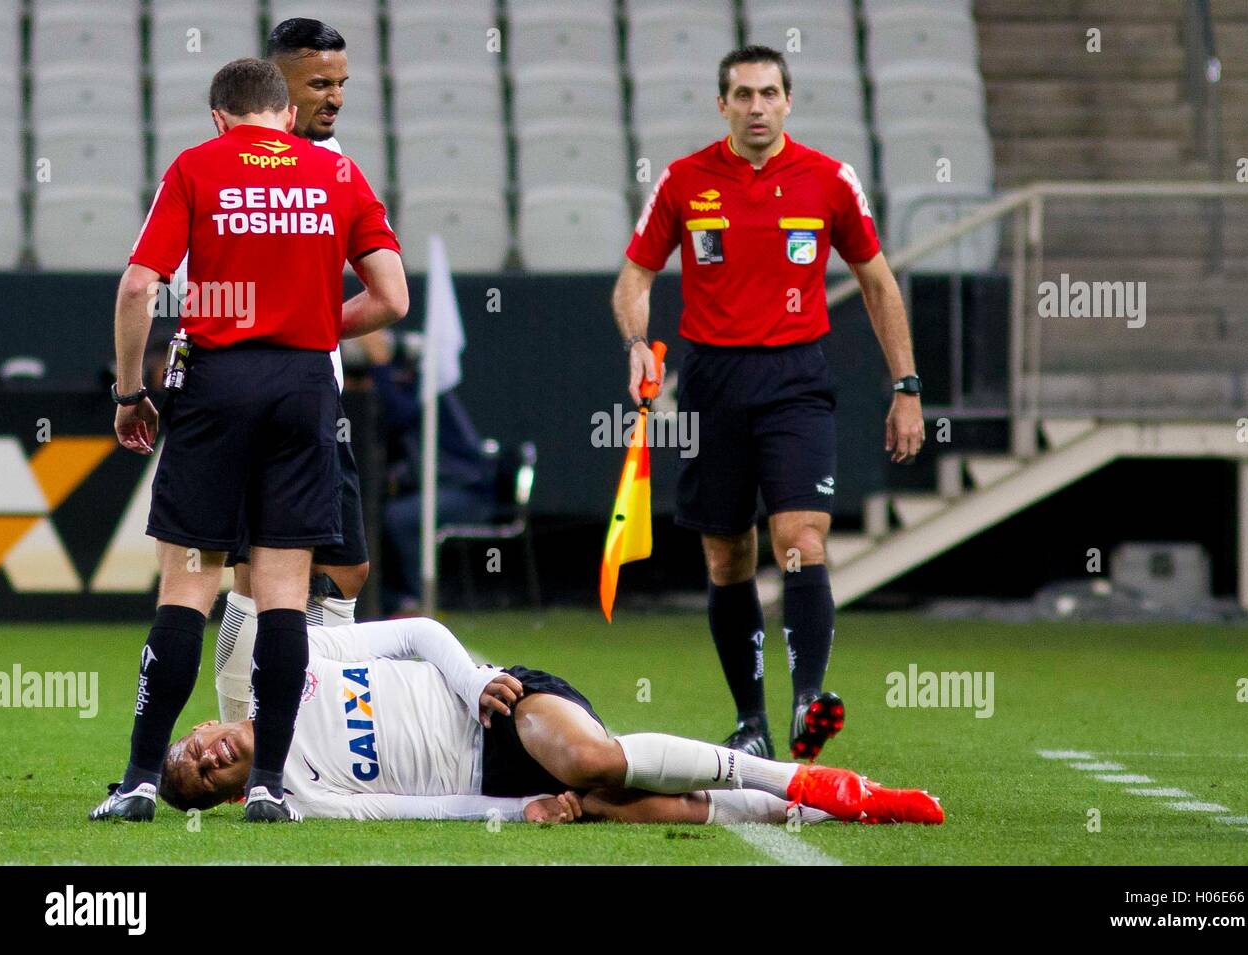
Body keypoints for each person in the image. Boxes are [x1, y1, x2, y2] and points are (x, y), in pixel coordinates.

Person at [92, 57, 407, 824]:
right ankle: (268, 784)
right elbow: (393, 295)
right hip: (304, 391)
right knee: (282, 598)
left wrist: (132, 391)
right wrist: (304, 326)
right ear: (286, 115)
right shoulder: (335, 173)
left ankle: (137, 779)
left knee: (190, 587)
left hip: (215, 387)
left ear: (218, 118)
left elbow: (138, 285)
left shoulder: (197, 167)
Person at [611, 46, 925, 761]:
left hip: (796, 379)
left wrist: (905, 387)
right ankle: (750, 717)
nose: (757, 106)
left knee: (801, 537)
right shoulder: (685, 181)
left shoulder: (828, 180)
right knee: (727, 555)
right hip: (712, 380)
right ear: (721, 104)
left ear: (789, 101)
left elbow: (878, 285)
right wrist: (637, 341)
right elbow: (634, 278)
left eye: (770, 93)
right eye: (743, 94)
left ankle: (809, 698)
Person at [157, 615, 944, 827]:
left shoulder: (290, 662)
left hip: (503, 707)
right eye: (206, 772)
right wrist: (524, 809)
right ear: (228, 793)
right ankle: (785, 802)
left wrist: (470, 682)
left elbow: (416, 632)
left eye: (194, 744)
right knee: (616, 804)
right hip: (490, 778)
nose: (210, 752)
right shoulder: (297, 795)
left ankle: (811, 778)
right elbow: (421, 807)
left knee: (590, 764)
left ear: (198, 721)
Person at [214, 18, 380, 727]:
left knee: (341, 569)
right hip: (267, 392)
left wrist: (310, 321)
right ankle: (239, 733)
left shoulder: (333, 160)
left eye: (342, 83)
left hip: (314, 391)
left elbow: (386, 292)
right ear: (275, 84)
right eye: (319, 83)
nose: (335, 96)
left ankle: (313, 731)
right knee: (259, 577)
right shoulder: (225, 169)